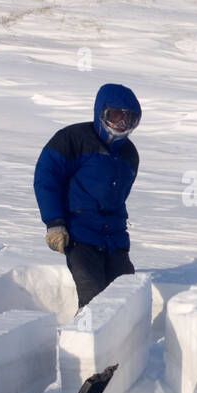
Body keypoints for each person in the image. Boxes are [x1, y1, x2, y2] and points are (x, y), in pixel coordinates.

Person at [33, 83, 142, 308]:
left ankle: (123, 342)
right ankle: (79, 342)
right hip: (79, 235)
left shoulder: (129, 154)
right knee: (93, 297)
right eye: (115, 116)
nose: (121, 124)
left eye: (128, 119)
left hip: (115, 238)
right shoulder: (72, 140)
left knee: (126, 299)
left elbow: (120, 195)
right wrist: (54, 223)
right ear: (100, 112)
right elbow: (46, 180)